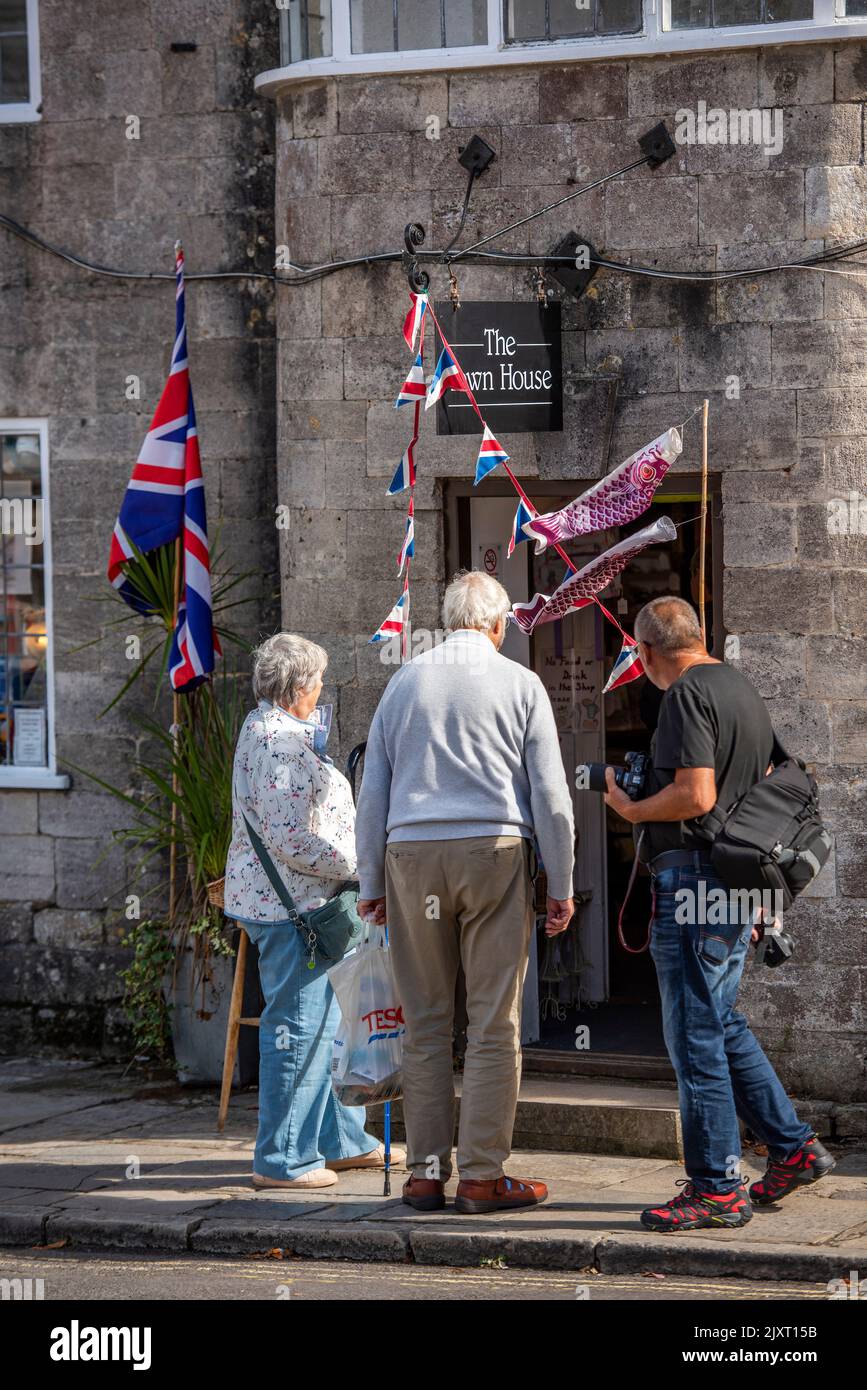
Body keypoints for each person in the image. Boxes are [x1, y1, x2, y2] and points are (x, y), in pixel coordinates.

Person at [603, 596, 834, 1231]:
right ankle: (791, 1150)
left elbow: (695, 794)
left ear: (647, 653)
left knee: (694, 1035)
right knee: (721, 1020)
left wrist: (630, 808)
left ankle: (716, 1190)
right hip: (732, 883)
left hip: (694, 881)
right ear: (699, 636)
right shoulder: (739, 687)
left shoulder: (682, 695)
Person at [356, 571, 575, 1215]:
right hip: (494, 854)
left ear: (447, 620)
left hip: (411, 857)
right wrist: (560, 886)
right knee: (492, 1020)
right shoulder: (521, 684)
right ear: (500, 624)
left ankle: (424, 1175)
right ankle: (482, 1176)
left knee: (424, 1023)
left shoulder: (404, 683)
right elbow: (553, 801)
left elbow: (374, 793)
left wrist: (372, 883)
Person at [225, 632, 402, 1189]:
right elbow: (289, 837)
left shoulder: (271, 730)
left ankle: (339, 1141)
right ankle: (282, 1161)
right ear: (299, 687)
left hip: (296, 906)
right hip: (293, 911)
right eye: (319, 680)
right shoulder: (279, 742)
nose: (322, 687)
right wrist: (357, 863)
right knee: (298, 1032)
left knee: (329, 1028)